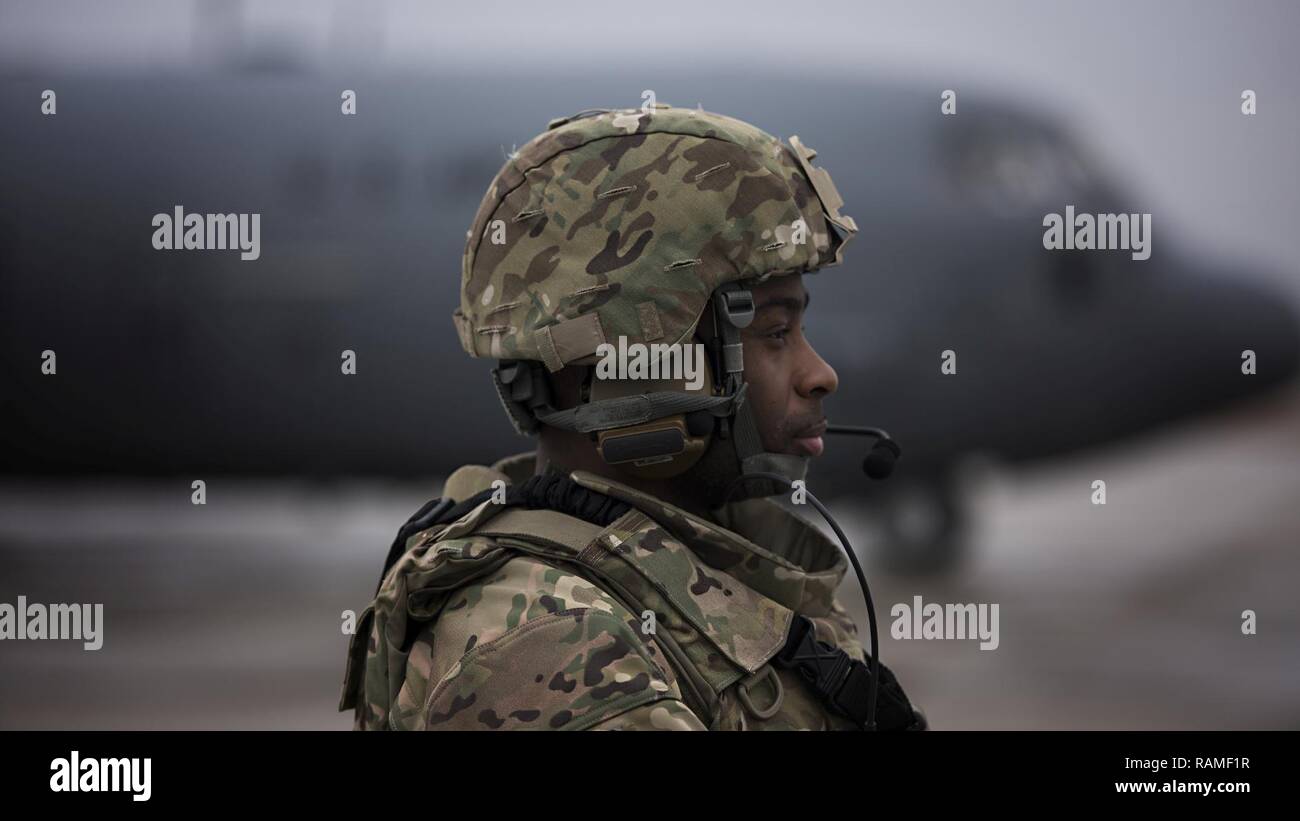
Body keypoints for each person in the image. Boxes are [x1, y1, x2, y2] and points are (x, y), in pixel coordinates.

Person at [340, 104, 924, 730]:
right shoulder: (549, 646)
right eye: (775, 333)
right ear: (640, 369)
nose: (820, 375)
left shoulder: (698, 562)